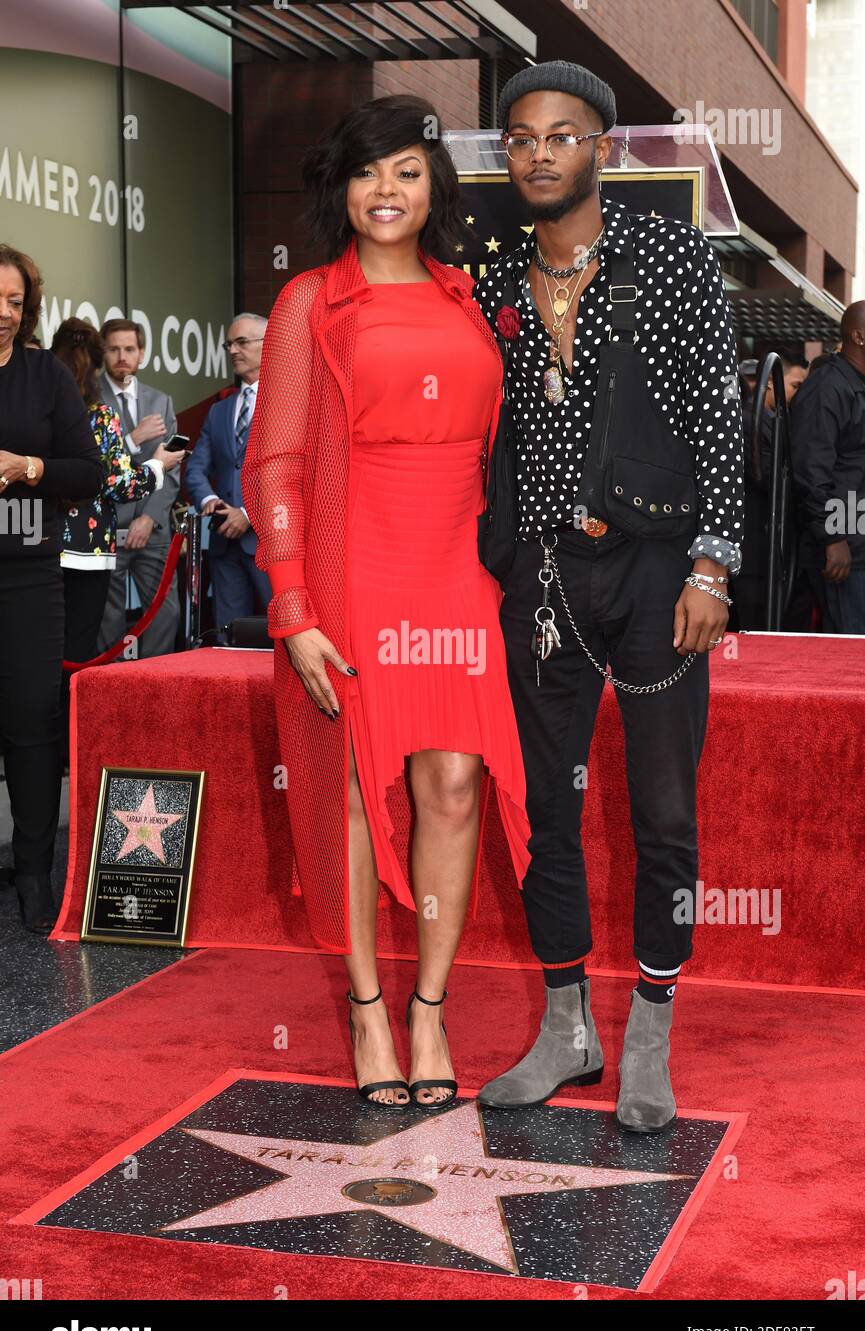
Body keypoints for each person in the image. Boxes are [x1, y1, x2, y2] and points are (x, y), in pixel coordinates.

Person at [242, 95, 531, 1110]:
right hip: (355, 569)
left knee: (452, 786)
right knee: (363, 790)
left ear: (434, 187)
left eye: (407, 171)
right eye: (367, 173)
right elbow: (275, 461)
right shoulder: (308, 304)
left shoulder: (470, 301)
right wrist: (293, 604)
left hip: (460, 571)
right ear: (343, 189)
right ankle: (368, 1005)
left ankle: (431, 1008)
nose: (386, 192)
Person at [472, 62, 745, 1131]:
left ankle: (649, 1035)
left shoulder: (670, 255)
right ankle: (563, 1028)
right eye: (523, 138)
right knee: (550, 810)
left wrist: (712, 565)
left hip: (657, 568)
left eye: (562, 135)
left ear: (603, 147)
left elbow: (719, 416)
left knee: (664, 814)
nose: (540, 153)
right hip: (542, 571)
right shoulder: (488, 263)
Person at [0, 245, 102, 932]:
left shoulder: (44, 376)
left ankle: (35, 874)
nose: (4, 314)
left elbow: (87, 472)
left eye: (14, 301)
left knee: (32, 726)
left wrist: (28, 466)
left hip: (28, 574)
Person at [50, 318, 185, 758]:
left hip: (45, 547)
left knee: (52, 648)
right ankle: (79, 742)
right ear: (98, 359)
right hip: (88, 549)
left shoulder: (43, 403)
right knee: (81, 647)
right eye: (111, 351)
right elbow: (114, 481)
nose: (120, 358)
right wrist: (158, 461)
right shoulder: (95, 409)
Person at [96, 318, 181, 658]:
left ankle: (153, 685)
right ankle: (110, 689)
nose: (121, 356)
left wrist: (148, 518)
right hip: (105, 529)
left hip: (152, 530)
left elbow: (172, 467)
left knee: (166, 611)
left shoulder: (160, 400)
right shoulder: (89, 396)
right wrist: (134, 438)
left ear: (141, 353)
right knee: (106, 619)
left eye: (129, 349)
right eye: (114, 349)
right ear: (103, 352)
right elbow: (94, 464)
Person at [183, 314, 272, 632]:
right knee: (228, 638)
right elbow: (196, 467)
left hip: (270, 541)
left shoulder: (287, 403)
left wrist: (248, 514)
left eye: (241, 342)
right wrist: (209, 499)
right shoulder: (220, 410)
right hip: (224, 542)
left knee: (281, 640)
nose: (233, 350)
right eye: (229, 344)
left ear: (268, 343)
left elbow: (297, 473)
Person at [790, 302, 865, 633]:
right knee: (852, 654)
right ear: (859, 336)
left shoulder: (855, 386)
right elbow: (810, 470)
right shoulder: (828, 387)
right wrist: (832, 537)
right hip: (843, 547)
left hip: (857, 538)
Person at [732, 352, 807, 630]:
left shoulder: (771, 420)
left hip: (769, 547)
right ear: (772, 382)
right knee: (756, 629)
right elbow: (763, 474)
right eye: (795, 385)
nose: (798, 394)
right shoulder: (748, 422)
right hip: (755, 549)